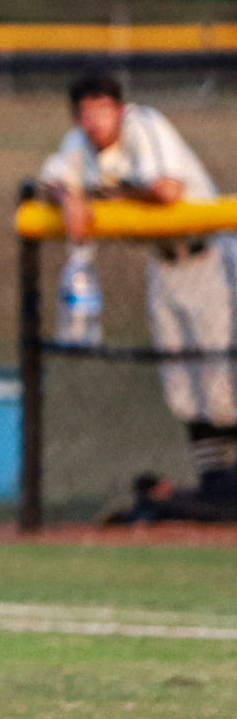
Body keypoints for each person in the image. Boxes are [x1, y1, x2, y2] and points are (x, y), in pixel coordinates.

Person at [40, 69, 237, 522]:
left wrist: (105, 196)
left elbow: (167, 190)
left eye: (102, 110)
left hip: (208, 257)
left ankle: (231, 481)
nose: (94, 121)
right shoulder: (79, 145)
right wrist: (68, 196)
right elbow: (49, 178)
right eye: (85, 112)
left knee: (221, 377)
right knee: (182, 383)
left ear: (119, 110)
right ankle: (216, 483)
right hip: (163, 266)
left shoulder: (143, 126)